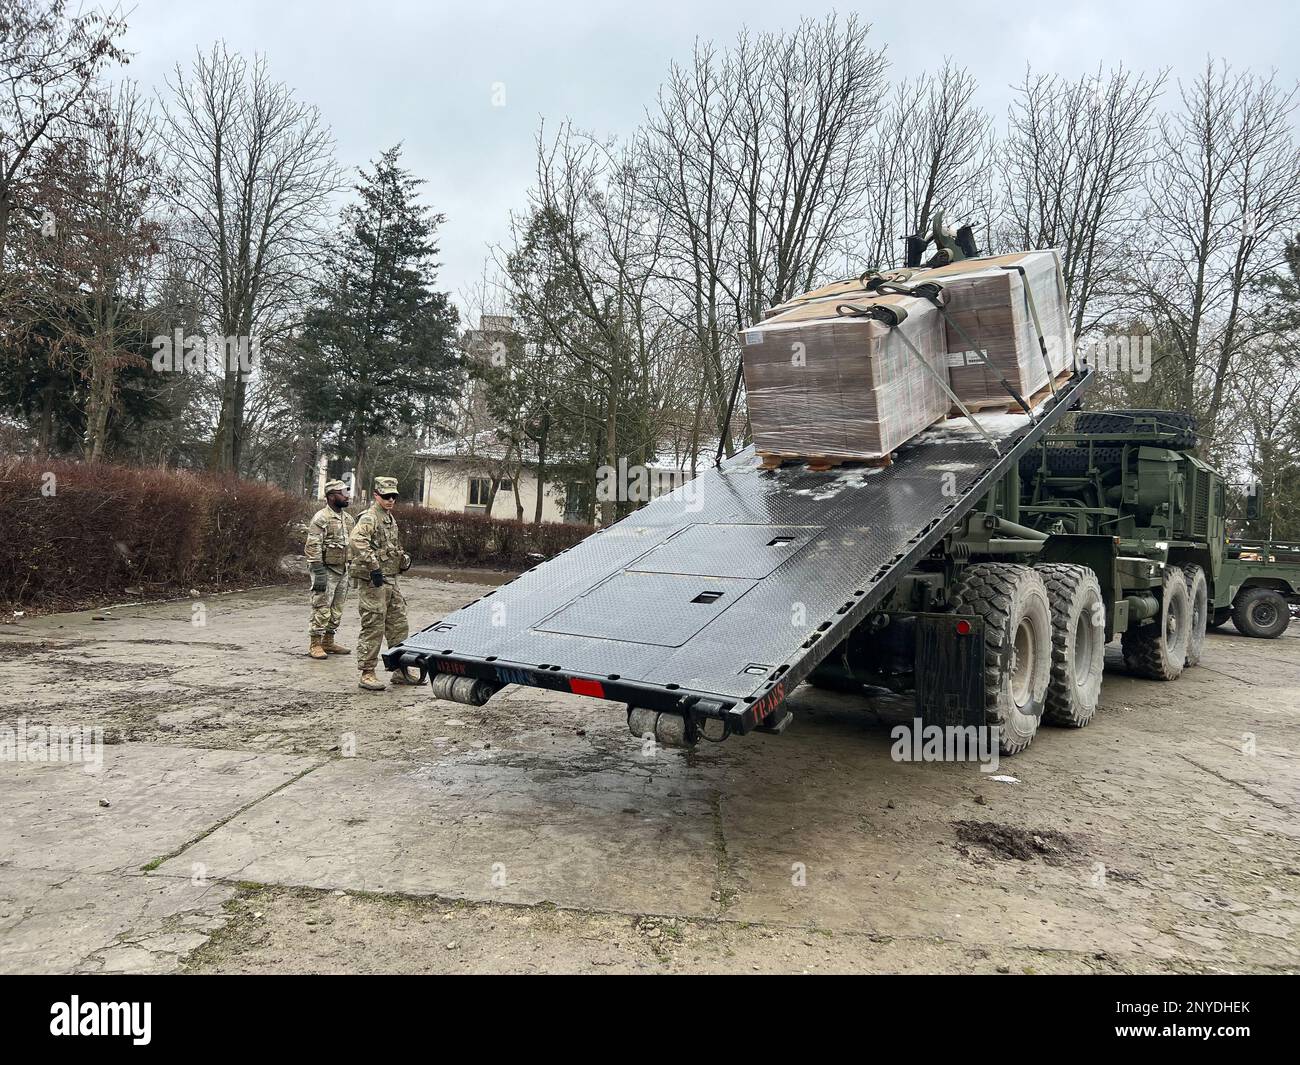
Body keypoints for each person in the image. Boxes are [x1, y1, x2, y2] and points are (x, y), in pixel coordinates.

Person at [348, 476, 416, 691]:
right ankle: (367, 672)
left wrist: (401, 559)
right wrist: (373, 565)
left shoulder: (388, 517)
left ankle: (400, 669)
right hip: (374, 581)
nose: (390, 500)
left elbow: (389, 545)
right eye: (386, 496)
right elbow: (356, 540)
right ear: (376, 495)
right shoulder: (369, 517)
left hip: (390, 579)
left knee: (398, 624)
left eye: (393, 496)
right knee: (373, 625)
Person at [304, 479, 355, 659]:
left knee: (337, 609)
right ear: (332, 497)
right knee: (321, 608)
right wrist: (318, 572)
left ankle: (328, 641)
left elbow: (352, 545)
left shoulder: (348, 519)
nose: (347, 496)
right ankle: (315, 644)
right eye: (343, 493)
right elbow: (312, 546)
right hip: (326, 570)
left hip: (343, 570)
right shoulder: (321, 518)